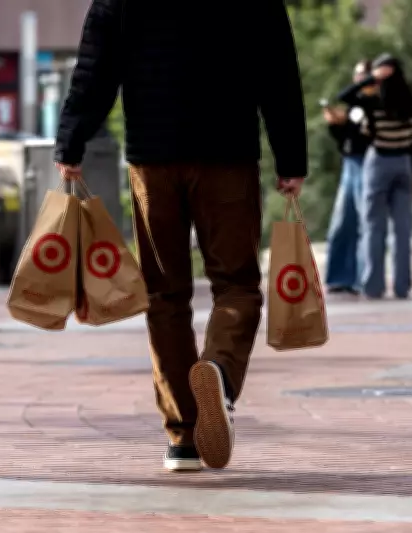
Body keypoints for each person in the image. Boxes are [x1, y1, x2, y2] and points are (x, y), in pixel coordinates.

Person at [54, 0, 307, 472]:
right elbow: (278, 70)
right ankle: (219, 373)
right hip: (227, 155)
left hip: (153, 158)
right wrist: (291, 156)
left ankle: (184, 436)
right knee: (236, 285)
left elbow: (94, 69)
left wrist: (71, 141)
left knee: (164, 295)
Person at [336, 54, 412, 300]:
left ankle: (373, 287)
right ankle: (402, 287)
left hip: (378, 162)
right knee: (403, 229)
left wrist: (369, 79)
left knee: (373, 227)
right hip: (404, 163)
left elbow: (344, 97)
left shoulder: (373, 103)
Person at [323, 59, 374, 295]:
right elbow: (345, 139)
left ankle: (364, 278)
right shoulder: (355, 105)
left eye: (363, 75)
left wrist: (369, 81)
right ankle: (339, 277)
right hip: (349, 164)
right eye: (356, 75)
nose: (358, 79)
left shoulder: (374, 102)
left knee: (366, 223)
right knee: (343, 222)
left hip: (367, 164)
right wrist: (334, 124)